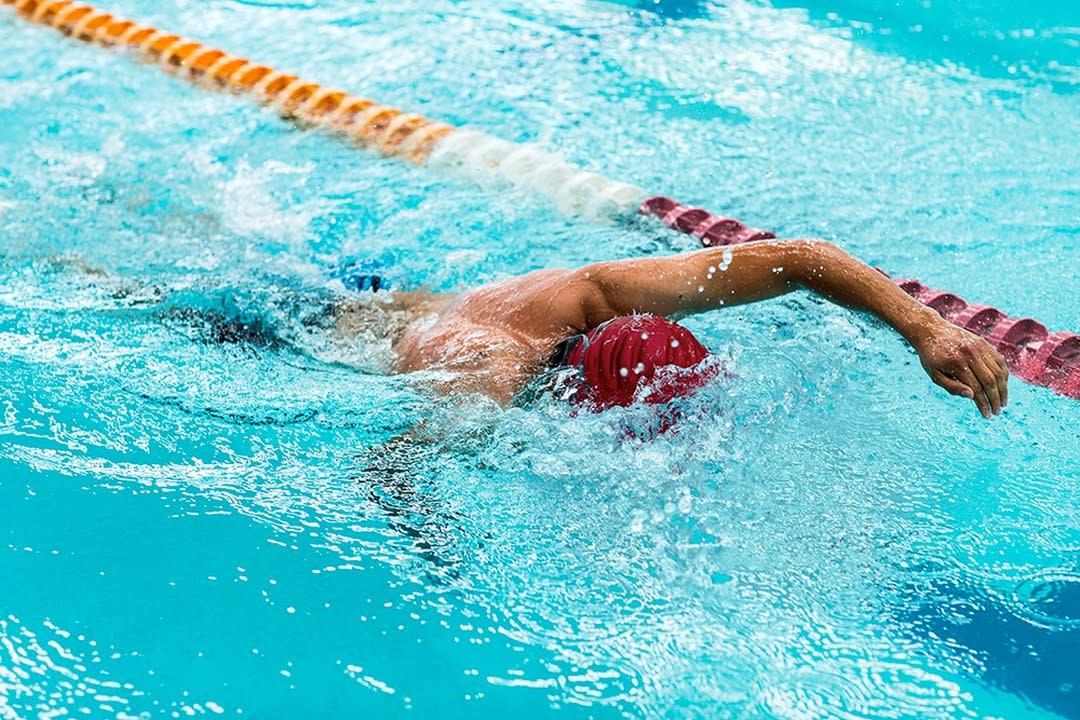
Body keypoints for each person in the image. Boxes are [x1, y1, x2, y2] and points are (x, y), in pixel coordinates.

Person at [335, 238, 1009, 418]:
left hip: (428, 295)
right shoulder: (489, 370)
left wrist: (927, 328)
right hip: (350, 330)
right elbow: (395, 466)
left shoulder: (598, 293)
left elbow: (801, 259)